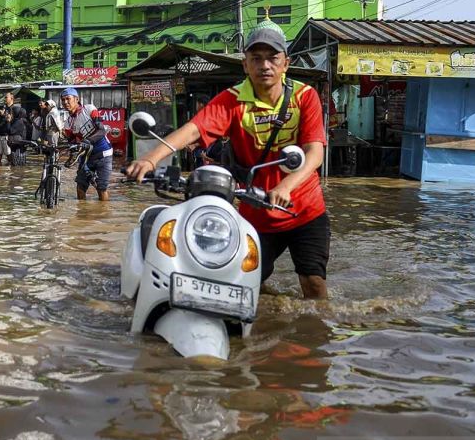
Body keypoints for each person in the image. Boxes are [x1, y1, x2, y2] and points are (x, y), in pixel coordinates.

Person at [125, 26, 329, 299]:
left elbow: (314, 153)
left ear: (286, 64)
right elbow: (194, 129)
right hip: (255, 211)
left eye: (273, 58)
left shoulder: (304, 97)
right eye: (256, 58)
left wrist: (286, 186)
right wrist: (150, 158)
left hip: (303, 209)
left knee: (313, 283)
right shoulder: (232, 100)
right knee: (244, 283)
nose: (264, 65)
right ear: (245, 65)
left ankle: (315, 335)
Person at [60, 87, 114, 202]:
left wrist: (88, 140)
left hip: (103, 153)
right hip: (86, 157)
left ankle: (103, 213)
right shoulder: (68, 123)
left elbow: (101, 130)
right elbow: (72, 144)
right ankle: (82, 215)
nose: (65, 102)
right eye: (63, 100)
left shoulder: (89, 109)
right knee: (80, 187)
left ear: (76, 99)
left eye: (68, 99)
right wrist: (70, 158)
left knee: (101, 188)